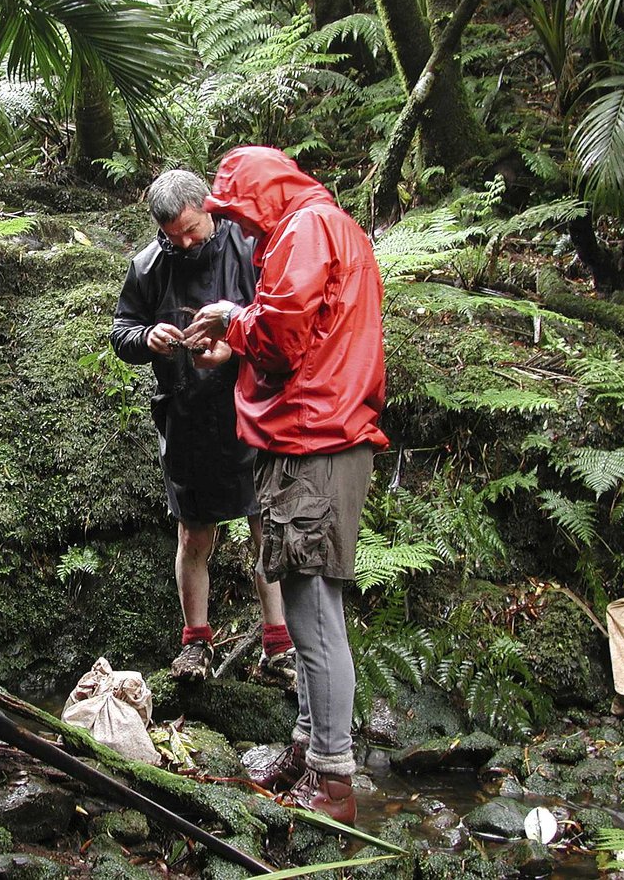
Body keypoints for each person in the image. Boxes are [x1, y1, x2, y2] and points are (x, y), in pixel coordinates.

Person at [183, 146, 388, 825]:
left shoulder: (305, 228)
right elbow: (303, 331)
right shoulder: (332, 227)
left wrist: (227, 319)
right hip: (317, 435)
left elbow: (281, 337)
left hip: (316, 441)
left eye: (240, 215)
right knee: (309, 607)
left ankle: (333, 776)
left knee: (314, 611)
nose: (238, 231)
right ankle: (309, 743)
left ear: (265, 198)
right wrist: (239, 334)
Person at [111, 169, 295, 687]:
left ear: (208, 208)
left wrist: (234, 345)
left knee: (266, 526)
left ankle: (277, 641)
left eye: (192, 230)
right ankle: (196, 642)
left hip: (251, 408)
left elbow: (275, 321)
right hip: (186, 414)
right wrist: (149, 338)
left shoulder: (247, 245)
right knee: (194, 533)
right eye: (173, 235)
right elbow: (121, 332)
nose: (185, 243)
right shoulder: (148, 266)